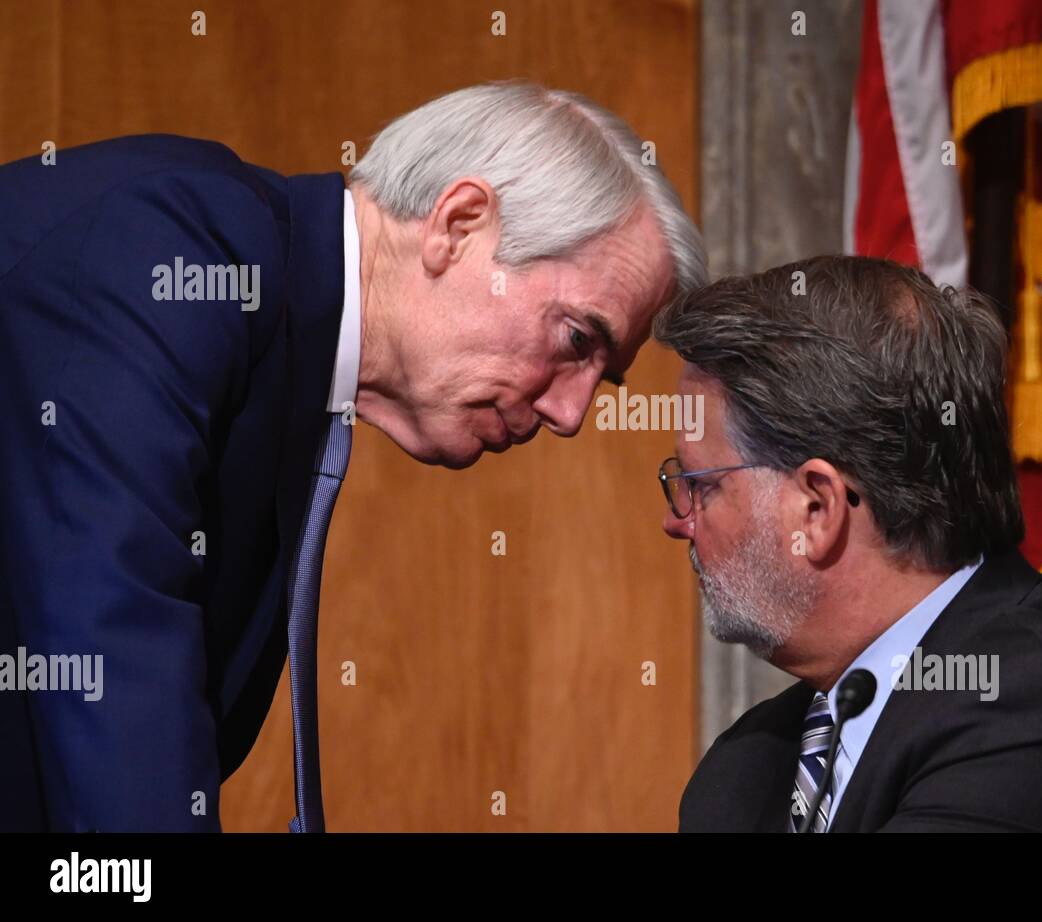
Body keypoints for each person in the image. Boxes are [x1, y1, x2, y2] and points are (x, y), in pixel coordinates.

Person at [0, 81, 705, 831]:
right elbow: (111, 644)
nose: (570, 413)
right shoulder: (177, 251)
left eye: (605, 376)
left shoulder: (281, 327)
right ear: (459, 225)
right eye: (576, 340)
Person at [654, 256, 1042, 832]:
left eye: (701, 486)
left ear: (818, 507)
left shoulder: (1040, 709)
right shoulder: (749, 765)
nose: (679, 522)